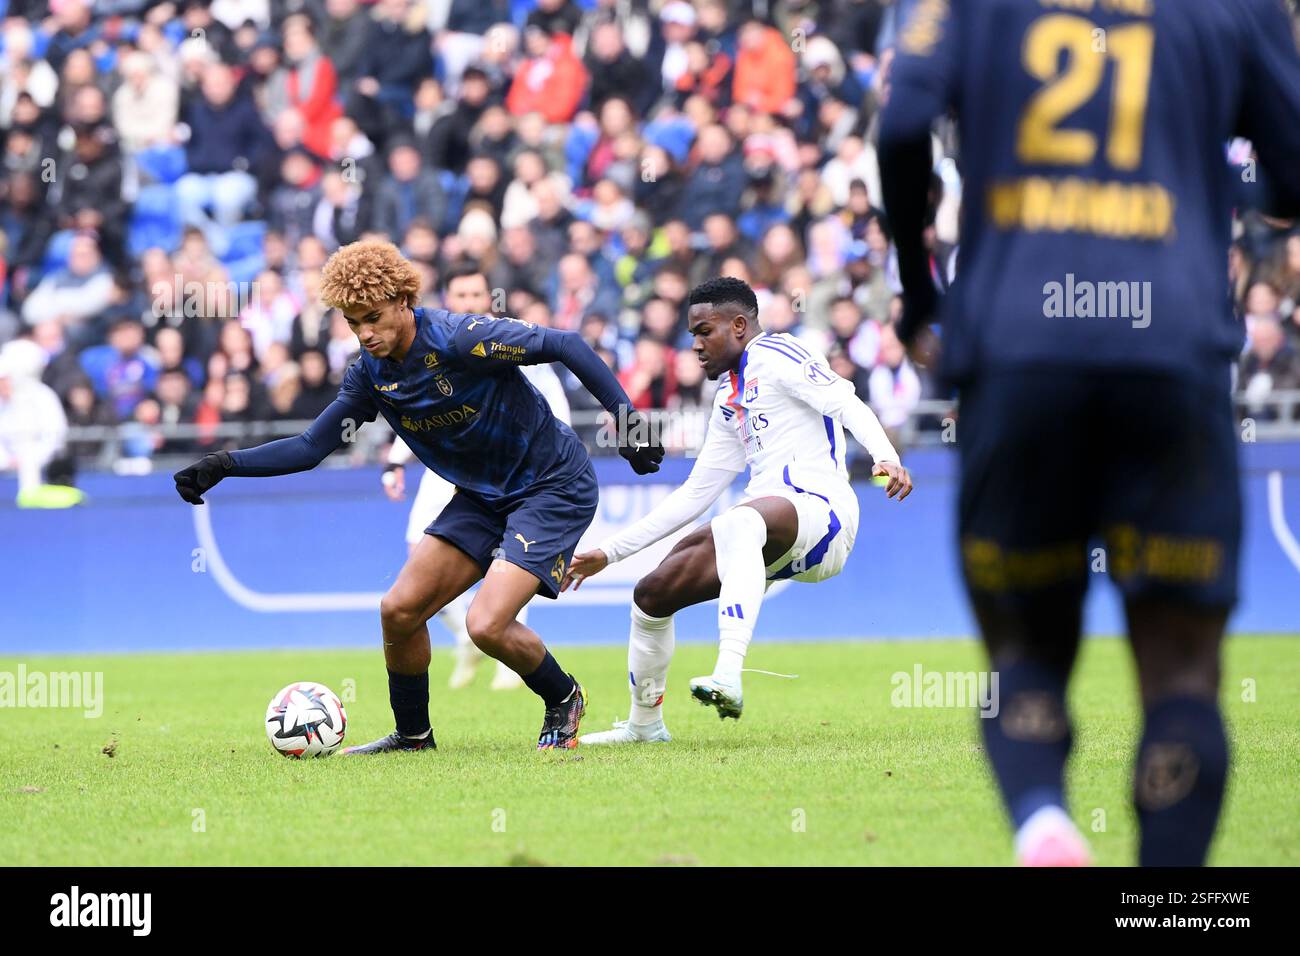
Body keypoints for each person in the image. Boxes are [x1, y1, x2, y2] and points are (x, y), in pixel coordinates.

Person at [877, 0, 1300, 866]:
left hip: (1016, 351)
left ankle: (1041, 822)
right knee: (1182, 676)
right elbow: (1292, 172)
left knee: (1026, 649)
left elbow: (902, 123)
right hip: (1173, 354)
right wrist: (1210, 184)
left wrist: (924, 300)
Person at [173, 241, 664, 751]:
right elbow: (311, 446)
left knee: (485, 623)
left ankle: (564, 697)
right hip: (480, 496)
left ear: (404, 301)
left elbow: (565, 344)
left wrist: (627, 421)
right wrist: (226, 465)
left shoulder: (460, 337)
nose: (364, 333)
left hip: (551, 485)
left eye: (373, 318)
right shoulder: (370, 373)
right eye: (352, 321)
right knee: (399, 610)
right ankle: (413, 736)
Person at [563, 277, 911, 742]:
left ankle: (728, 673)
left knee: (740, 520)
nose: (696, 345)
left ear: (740, 325)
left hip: (824, 516)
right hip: (765, 532)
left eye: (705, 331)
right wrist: (609, 553)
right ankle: (645, 726)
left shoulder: (779, 354)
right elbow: (694, 494)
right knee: (651, 596)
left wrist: (885, 455)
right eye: (692, 335)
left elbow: (845, 402)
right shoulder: (729, 400)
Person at [381, 262, 572, 691]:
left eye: (475, 295)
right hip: (448, 465)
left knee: (508, 559)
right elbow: (415, 409)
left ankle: (504, 647)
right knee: (417, 555)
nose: (468, 302)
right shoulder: (433, 342)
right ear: (448, 299)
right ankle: (467, 638)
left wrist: (553, 463)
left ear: (490, 299)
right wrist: (395, 461)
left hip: (513, 468)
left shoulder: (508, 339)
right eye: (460, 296)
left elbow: (556, 407)